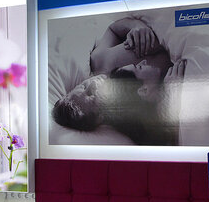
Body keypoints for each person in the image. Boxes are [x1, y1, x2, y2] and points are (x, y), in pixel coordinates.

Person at [53, 16, 189, 145]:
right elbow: (169, 143)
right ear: (100, 117)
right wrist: (173, 100)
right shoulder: (142, 120)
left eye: (83, 86)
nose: (92, 83)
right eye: (91, 95)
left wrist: (136, 26)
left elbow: (113, 29)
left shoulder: (101, 61)